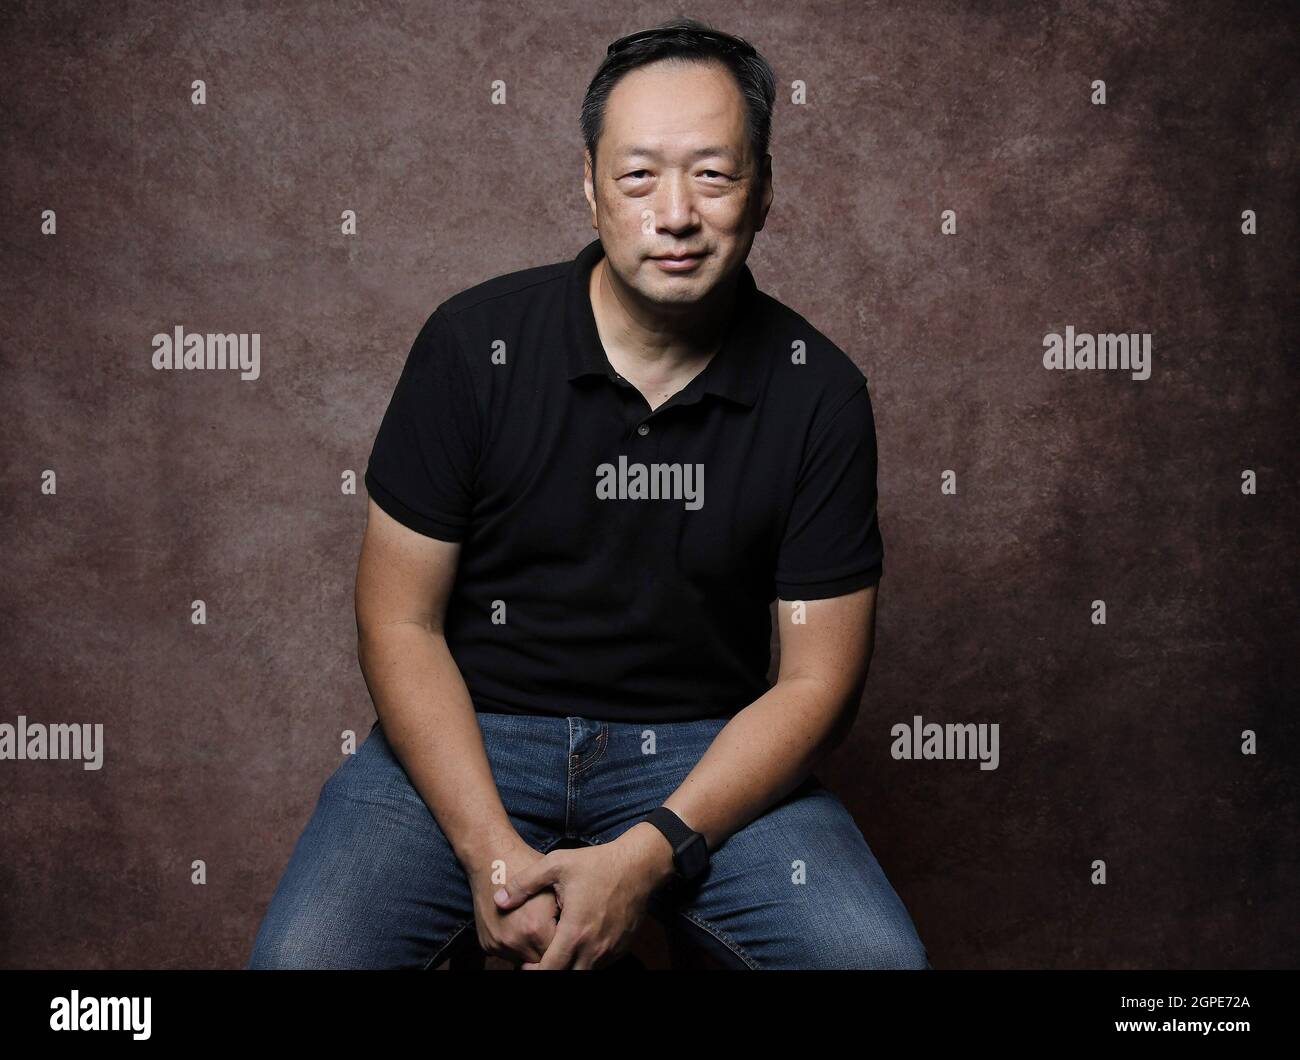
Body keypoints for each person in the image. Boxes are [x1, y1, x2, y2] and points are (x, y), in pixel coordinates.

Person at [248, 16, 929, 971]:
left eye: (714, 174)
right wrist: (491, 854)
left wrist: (647, 855)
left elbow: (819, 684)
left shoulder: (818, 390)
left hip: (702, 754)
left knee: (875, 963)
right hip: (475, 733)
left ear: (765, 191)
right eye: (639, 174)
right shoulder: (472, 347)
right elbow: (398, 623)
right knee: (303, 964)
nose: (676, 212)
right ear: (590, 186)